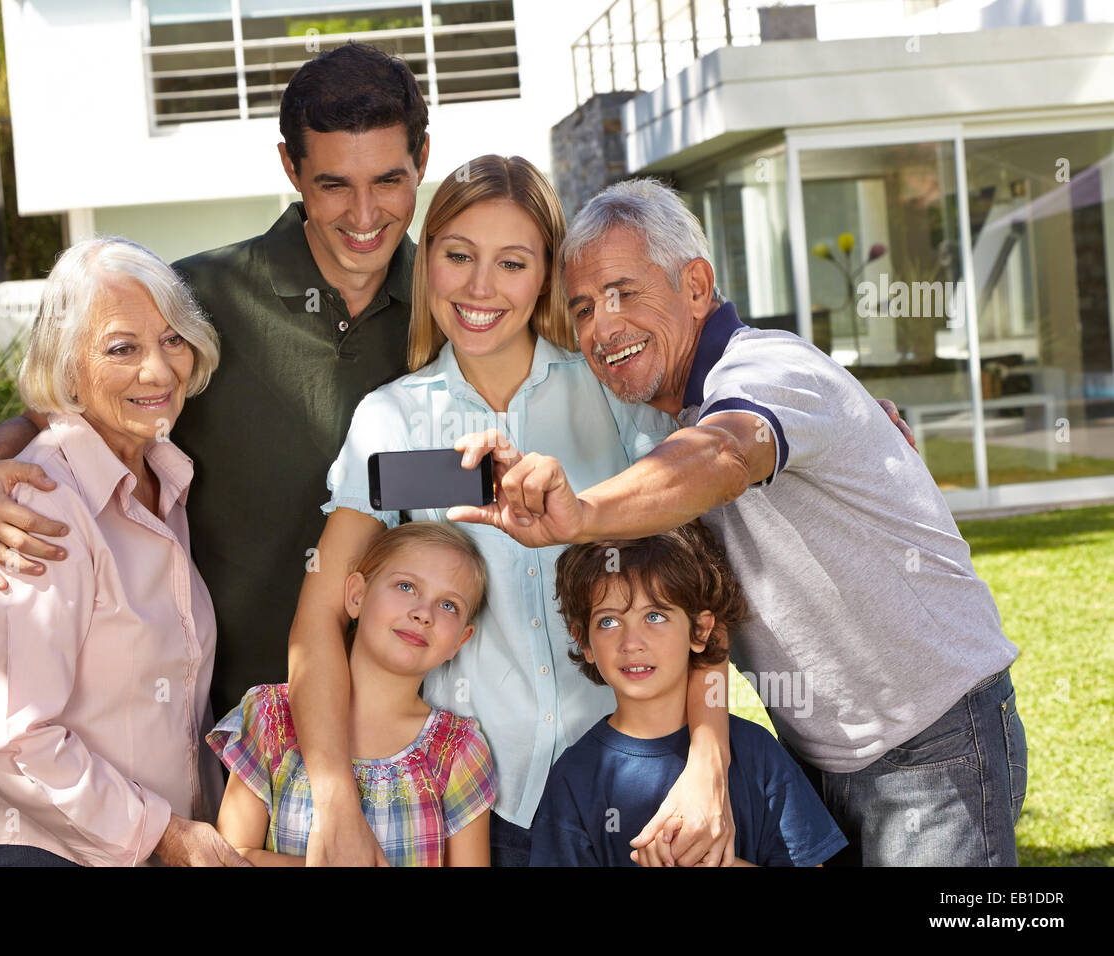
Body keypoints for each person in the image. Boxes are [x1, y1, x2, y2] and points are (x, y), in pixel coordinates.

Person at [448, 177, 1027, 866]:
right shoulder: (666, 423)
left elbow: (724, 454)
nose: (601, 329)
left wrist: (585, 514)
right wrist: (709, 759)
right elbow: (707, 625)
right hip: (817, 757)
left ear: (696, 285)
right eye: (582, 309)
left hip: (934, 743)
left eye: (623, 294)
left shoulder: (766, 370)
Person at [0, 42, 430, 737]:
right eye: (332, 185)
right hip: (233, 740)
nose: (364, 213)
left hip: (420, 736)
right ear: (290, 169)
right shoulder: (196, 302)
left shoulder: (458, 310)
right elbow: (64, 405)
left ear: (423, 160)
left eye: (388, 180)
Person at [287, 154, 737, 868]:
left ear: (549, 274)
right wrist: (335, 799)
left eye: (513, 263)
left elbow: (701, 593)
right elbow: (318, 619)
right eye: (458, 255)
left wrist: (709, 763)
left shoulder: (609, 390)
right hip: (479, 813)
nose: (479, 287)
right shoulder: (395, 421)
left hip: (643, 790)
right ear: (426, 259)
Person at [0, 238, 244, 867]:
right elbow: (12, 737)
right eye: (122, 348)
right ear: (68, 368)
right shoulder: (39, 502)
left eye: (172, 339)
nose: (158, 370)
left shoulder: (161, 488)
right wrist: (165, 833)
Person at [529, 527, 847, 867]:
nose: (631, 642)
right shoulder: (574, 778)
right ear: (584, 641)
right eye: (608, 621)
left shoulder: (757, 752)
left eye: (654, 616)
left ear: (700, 630)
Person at [208, 522, 494, 866]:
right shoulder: (271, 718)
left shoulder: (459, 751)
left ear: (460, 641)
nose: (423, 614)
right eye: (406, 586)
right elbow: (223, 859)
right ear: (356, 595)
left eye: (449, 606)